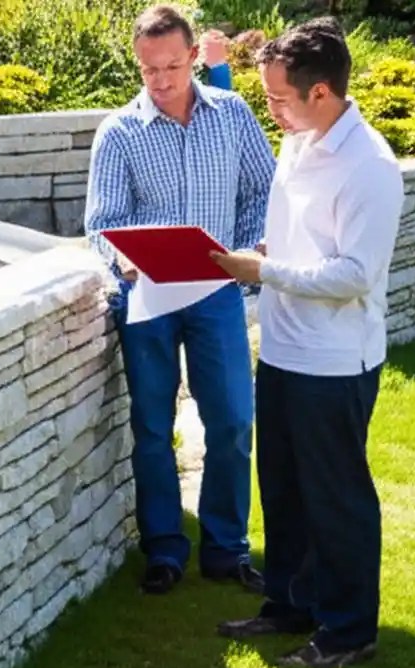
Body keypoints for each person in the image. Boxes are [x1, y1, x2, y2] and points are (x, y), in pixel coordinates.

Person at [210, 16, 404, 668]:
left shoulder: (370, 167)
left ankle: (350, 632)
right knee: (286, 490)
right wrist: (268, 253)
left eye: (277, 99)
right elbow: (302, 238)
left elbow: (355, 274)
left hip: (334, 361)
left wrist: (263, 272)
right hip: (284, 353)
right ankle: (291, 605)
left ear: (322, 92)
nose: (271, 111)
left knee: (337, 497)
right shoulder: (298, 143)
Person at [84, 5, 276, 595]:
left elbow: (261, 192)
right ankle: (164, 549)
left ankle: (225, 550)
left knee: (233, 422)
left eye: (171, 66)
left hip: (217, 292)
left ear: (194, 57)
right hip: (147, 301)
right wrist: (122, 258)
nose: (161, 81)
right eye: (149, 70)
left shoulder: (233, 115)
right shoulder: (118, 132)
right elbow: (103, 222)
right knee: (151, 425)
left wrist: (244, 253)